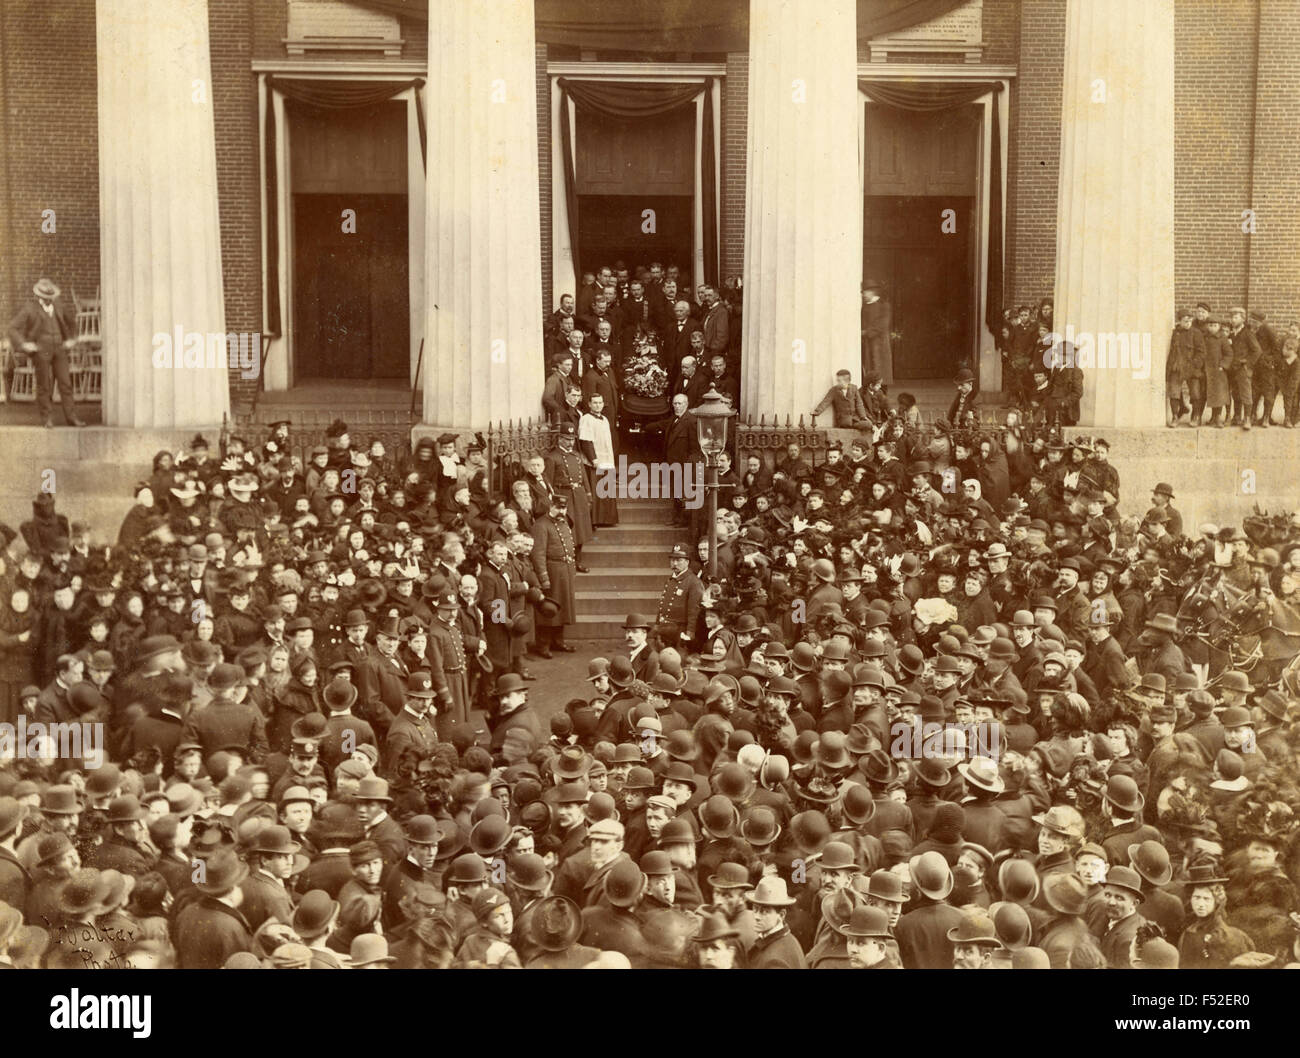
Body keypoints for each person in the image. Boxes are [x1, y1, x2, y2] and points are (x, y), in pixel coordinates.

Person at [6, 277, 84, 428]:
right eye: (45, 298)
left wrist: (72, 340)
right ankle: (47, 418)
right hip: (41, 350)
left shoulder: (59, 306)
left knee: (66, 383)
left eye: (51, 297)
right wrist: (24, 344)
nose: (49, 300)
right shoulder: (30, 309)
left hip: (60, 349)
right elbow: (12, 328)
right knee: (44, 384)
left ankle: (72, 418)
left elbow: (72, 323)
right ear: (39, 297)